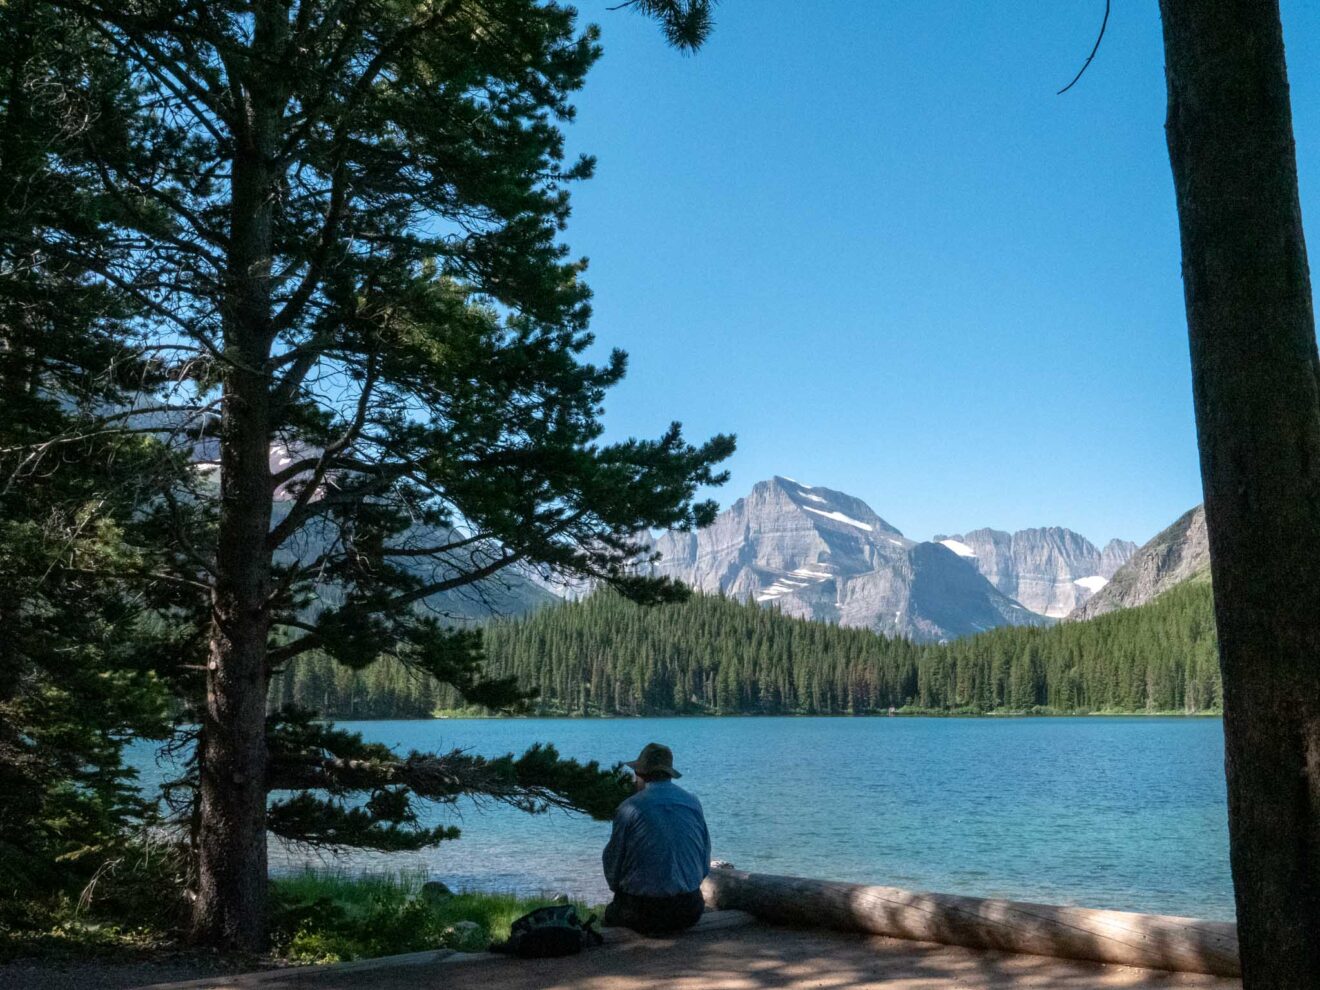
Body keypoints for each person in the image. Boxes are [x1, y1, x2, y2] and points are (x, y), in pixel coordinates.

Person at [601, 742, 711, 935]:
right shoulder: (692, 803)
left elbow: (613, 864)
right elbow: (704, 864)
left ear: (640, 774)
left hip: (642, 912)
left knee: (609, 917)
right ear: (669, 774)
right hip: (689, 909)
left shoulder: (629, 808)